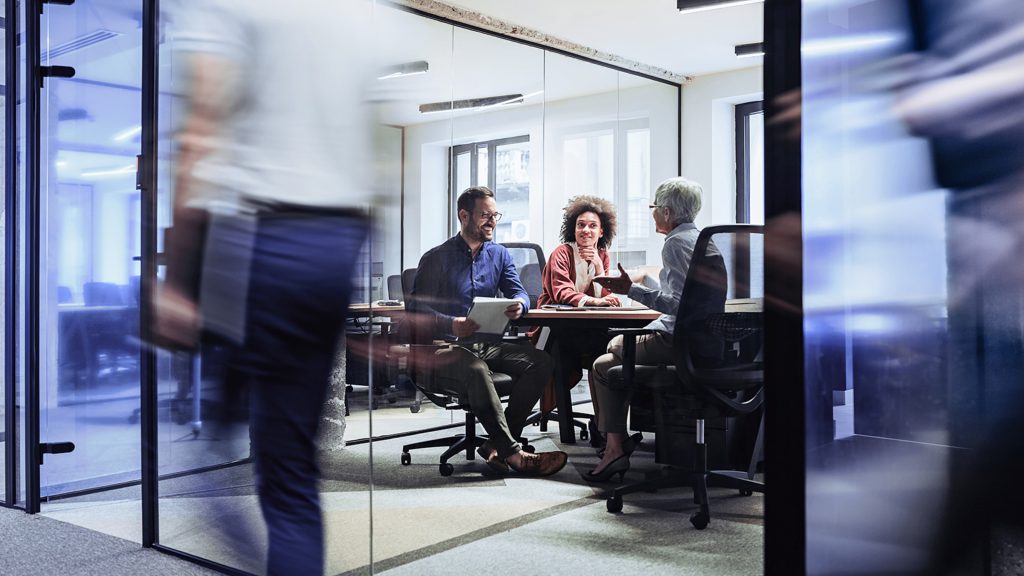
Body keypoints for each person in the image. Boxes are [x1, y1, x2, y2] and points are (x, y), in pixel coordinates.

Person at [154, 2, 375, 574]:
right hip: (335, 238)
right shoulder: (356, 15)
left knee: (210, 454)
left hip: (260, 237)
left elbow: (202, 126)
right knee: (291, 470)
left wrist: (176, 278)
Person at [407, 186, 567, 477]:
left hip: (486, 344)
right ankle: (515, 455)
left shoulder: (500, 255)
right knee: (477, 369)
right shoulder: (436, 258)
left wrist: (520, 305)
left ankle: (496, 445)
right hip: (442, 348)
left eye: (495, 215)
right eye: (485, 215)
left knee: (541, 362)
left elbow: (519, 292)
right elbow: (416, 312)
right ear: (464, 216)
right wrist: (451, 323)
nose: (493, 221)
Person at [585, 177, 710, 482]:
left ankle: (615, 448)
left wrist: (631, 291)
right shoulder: (702, 240)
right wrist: (643, 283)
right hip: (699, 342)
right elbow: (684, 294)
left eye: (654, 207)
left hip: (674, 341)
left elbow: (678, 306)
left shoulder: (675, 244)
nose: (652, 213)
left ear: (667, 212)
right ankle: (615, 445)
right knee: (604, 365)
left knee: (613, 347)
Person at [534, 195, 621, 443]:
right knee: (590, 349)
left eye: (592, 226)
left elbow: (606, 294)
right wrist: (595, 301)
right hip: (555, 329)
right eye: (581, 224)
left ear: (602, 230)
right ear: (573, 227)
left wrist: (599, 268)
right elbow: (561, 292)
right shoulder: (561, 253)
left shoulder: (602, 254)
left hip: (586, 327)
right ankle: (598, 427)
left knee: (605, 353)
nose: (586, 230)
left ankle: (602, 422)